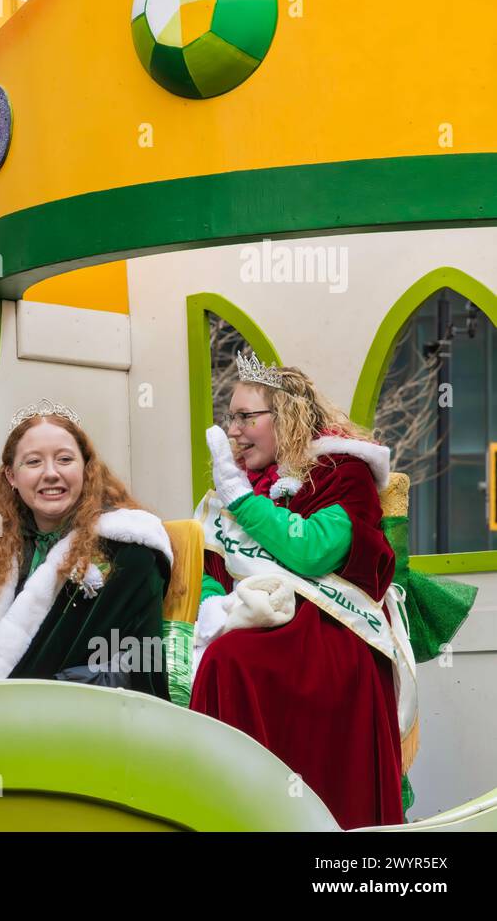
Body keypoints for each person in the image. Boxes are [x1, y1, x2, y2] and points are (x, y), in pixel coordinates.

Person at [189, 352, 411, 829]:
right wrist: (211, 604)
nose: (233, 431)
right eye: (230, 418)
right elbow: (209, 562)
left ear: (285, 416)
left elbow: (314, 552)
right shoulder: (233, 488)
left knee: (233, 662)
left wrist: (243, 501)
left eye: (246, 417)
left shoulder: (341, 473)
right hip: (249, 616)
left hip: (332, 630)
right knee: (201, 661)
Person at [0, 400, 172, 696]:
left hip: (78, 718)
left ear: (86, 468)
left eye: (65, 459)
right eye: (33, 462)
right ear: (11, 476)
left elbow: (138, 659)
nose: (51, 473)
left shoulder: (127, 549)